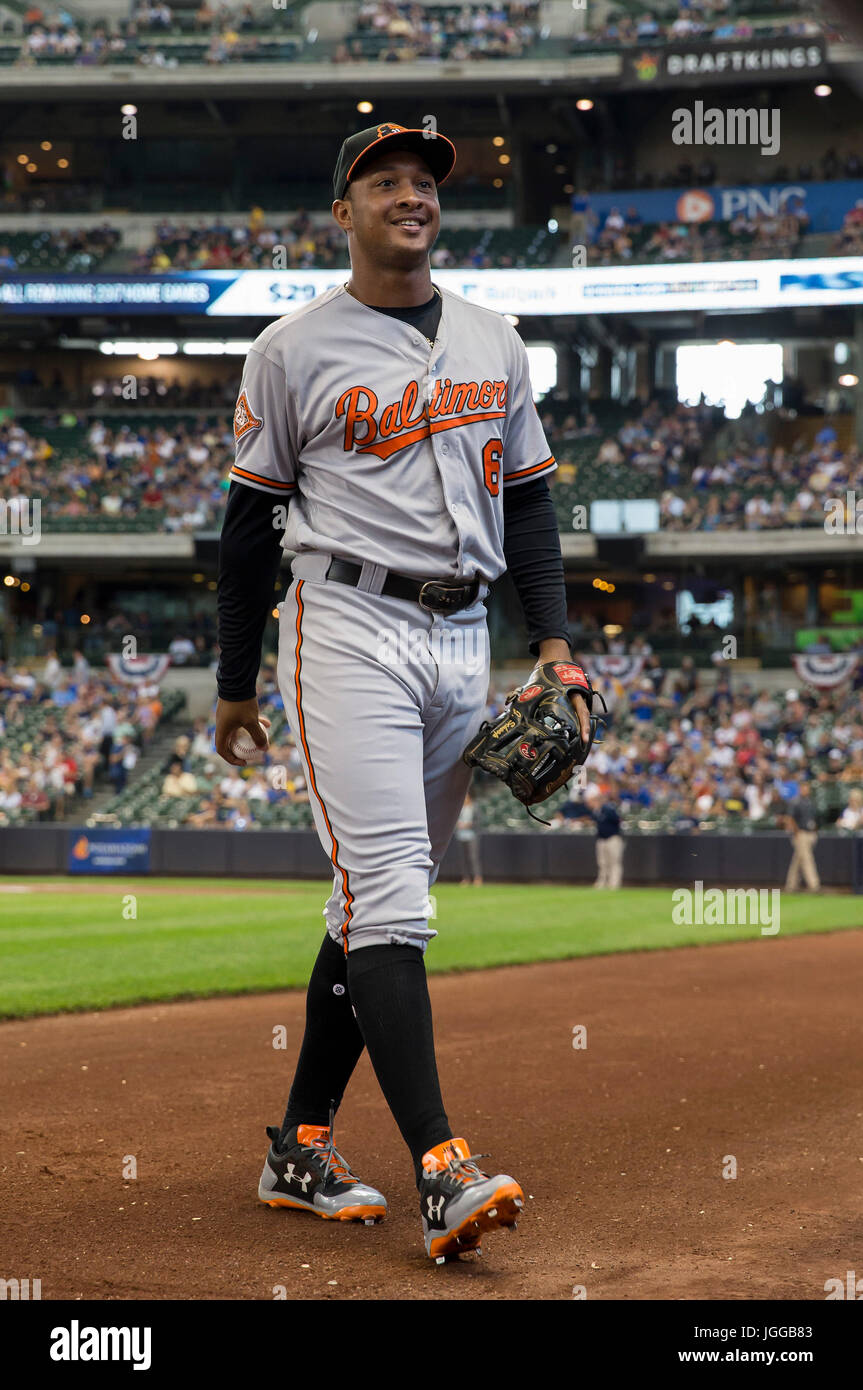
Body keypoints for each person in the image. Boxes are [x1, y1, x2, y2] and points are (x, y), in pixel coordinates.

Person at [214, 121, 595, 1264]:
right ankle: (441, 1165)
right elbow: (246, 527)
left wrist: (557, 646)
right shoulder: (291, 349)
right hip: (347, 622)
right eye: (383, 182)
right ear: (344, 212)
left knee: (368, 903)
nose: (409, 195)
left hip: (465, 635)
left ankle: (301, 1145)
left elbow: (525, 504)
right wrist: (234, 681)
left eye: (423, 182)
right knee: (391, 895)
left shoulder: (493, 338)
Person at [783, 778, 821, 892]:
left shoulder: (810, 801)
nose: (805, 790)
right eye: (803, 788)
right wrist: (796, 833)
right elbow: (789, 818)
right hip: (801, 833)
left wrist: (815, 830)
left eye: (807, 788)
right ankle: (814, 885)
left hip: (810, 833)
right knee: (807, 859)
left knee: (798, 861)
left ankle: (790, 886)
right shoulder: (795, 801)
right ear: (800, 789)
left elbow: (815, 818)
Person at [593, 796, 623, 888]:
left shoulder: (609, 810)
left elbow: (618, 820)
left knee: (614, 862)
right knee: (602, 863)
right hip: (602, 839)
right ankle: (602, 882)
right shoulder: (597, 812)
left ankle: (614, 883)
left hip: (612, 838)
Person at [454, 790, 482, 884]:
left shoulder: (474, 807)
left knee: (473, 857)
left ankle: (477, 878)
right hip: (461, 835)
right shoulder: (459, 808)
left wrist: (468, 825)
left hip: (472, 835)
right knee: (463, 858)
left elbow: (478, 821)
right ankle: (466, 878)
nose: (465, 799)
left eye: (466, 797)